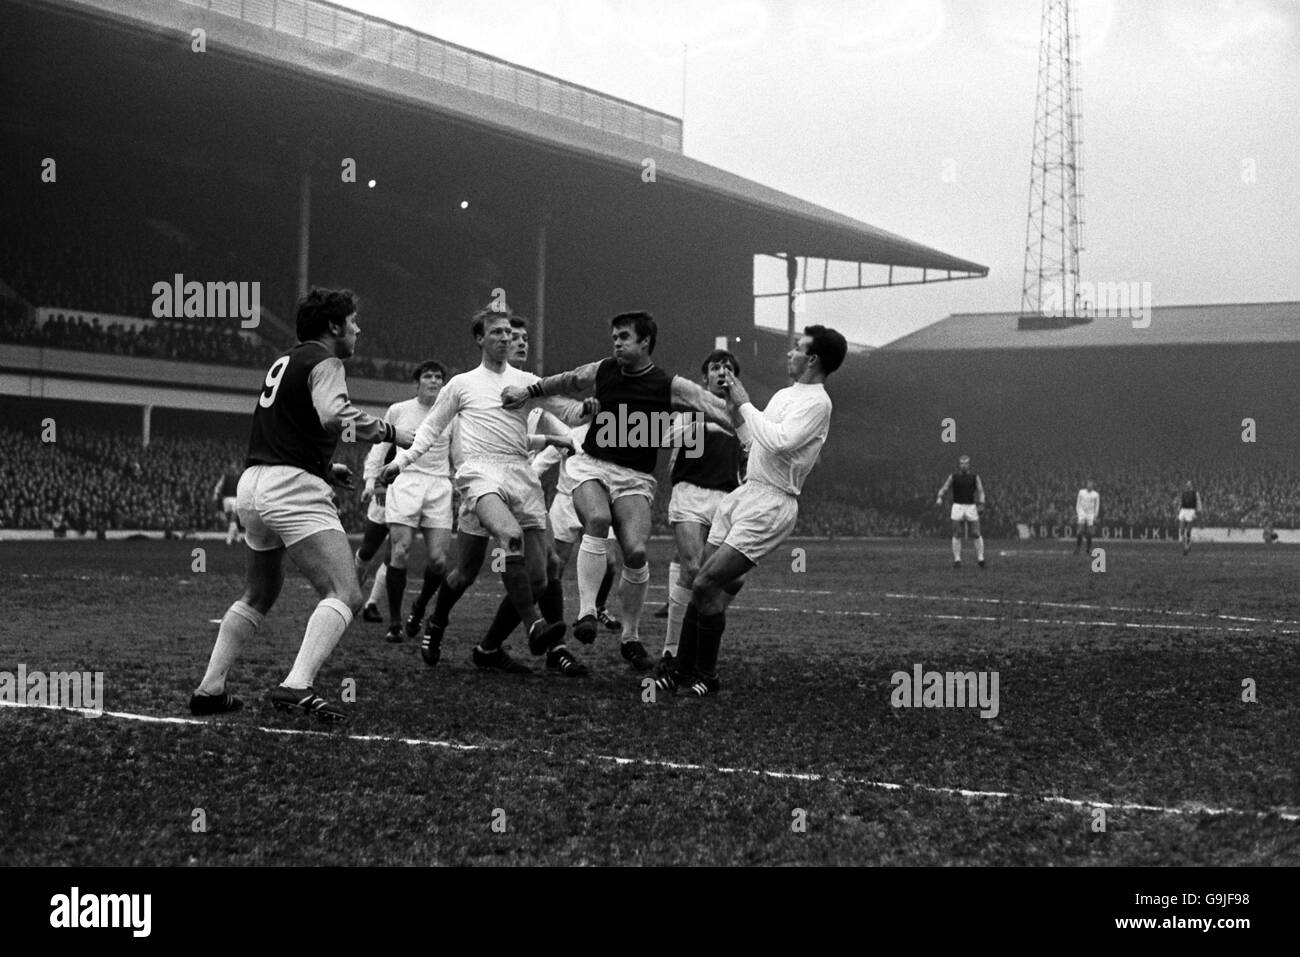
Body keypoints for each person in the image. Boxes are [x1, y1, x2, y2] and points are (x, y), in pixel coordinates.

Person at [190, 288, 414, 723]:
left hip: (254, 485)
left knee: (259, 592)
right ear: (334, 327)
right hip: (290, 488)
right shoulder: (326, 361)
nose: (358, 329)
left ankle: (210, 688)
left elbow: (287, 428)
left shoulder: (285, 360)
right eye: (353, 322)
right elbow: (334, 415)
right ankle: (297, 685)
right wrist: (390, 432)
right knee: (345, 592)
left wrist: (326, 468)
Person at [501, 310, 734, 672]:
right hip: (592, 465)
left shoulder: (669, 385)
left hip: (635, 478)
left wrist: (754, 431)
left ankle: (631, 636)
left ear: (645, 342)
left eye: (624, 337)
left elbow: (714, 407)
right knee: (597, 518)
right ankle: (587, 613)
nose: (617, 343)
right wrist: (528, 392)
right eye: (614, 337)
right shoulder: (604, 369)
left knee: (636, 553)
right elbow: (566, 380)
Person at [383, 309, 589, 674]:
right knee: (503, 541)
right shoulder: (462, 384)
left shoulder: (527, 381)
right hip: (479, 474)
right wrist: (399, 464)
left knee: (537, 575)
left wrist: (592, 406)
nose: (506, 338)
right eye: (497, 332)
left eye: (510, 332)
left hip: (519, 475)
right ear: (480, 338)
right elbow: (430, 431)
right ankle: (530, 626)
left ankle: (470, 636)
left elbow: (571, 414)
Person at [654, 325, 846, 697]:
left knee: (708, 582)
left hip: (772, 502)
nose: (789, 353)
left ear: (813, 359)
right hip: (746, 494)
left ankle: (705, 674)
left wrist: (743, 403)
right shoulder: (787, 395)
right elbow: (753, 443)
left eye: (796, 348)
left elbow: (779, 441)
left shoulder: (817, 403)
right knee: (700, 583)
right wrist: (733, 408)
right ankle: (681, 669)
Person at [659, 349, 745, 675]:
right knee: (693, 569)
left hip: (727, 499)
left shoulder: (744, 417)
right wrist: (705, 424)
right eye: (714, 368)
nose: (722, 371)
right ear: (704, 378)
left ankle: (700, 629)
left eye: (728, 368)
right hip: (691, 492)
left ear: (735, 378)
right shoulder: (691, 411)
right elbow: (666, 437)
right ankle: (672, 652)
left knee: (734, 577)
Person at [362, 360, 453, 643]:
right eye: (428, 376)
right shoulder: (399, 410)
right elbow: (380, 449)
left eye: (439, 377)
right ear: (417, 382)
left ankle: (420, 607)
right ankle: (395, 622)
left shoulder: (452, 414)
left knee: (438, 562)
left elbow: (460, 455)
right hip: (405, 481)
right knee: (399, 552)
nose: (434, 381)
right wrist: (370, 481)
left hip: (439, 486)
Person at [936, 455, 987, 568]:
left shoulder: (975, 477)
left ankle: (981, 558)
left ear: (969, 465)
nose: (963, 465)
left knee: (976, 533)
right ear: (959, 465)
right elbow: (945, 487)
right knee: (957, 533)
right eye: (962, 463)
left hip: (971, 507)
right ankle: (957, 560)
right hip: (957, 506)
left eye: (966, 463)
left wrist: (982, 503)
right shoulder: (953, 477)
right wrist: (940, 496)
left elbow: (981, 490)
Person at [212, 461, 242, 546]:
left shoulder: (240, 477)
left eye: (234, 466)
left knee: (233, 518)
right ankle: (238, 537)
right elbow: (219, 485)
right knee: (231, 521)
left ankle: (228, 539)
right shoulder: (225, 476)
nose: (233, 468)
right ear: (230, 468)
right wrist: (215, 494)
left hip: (236, 499)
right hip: (226, 499)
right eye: (232, 466)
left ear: (236, 467)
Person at [1074, 479, 1100, 555]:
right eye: (1088, 484)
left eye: (1091, 484)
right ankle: (1078, 548)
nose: (1089, 486)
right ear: (1086, 485)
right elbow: (1078, 503)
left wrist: (1095, 515)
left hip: (1090, 515)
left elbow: (1097, 505)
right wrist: (1078, 512)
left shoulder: (1096, 494)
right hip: (1082, 513)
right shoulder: (1081, 492)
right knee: (1079, 531)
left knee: (1089, 533)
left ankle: (1088, 550)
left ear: (1093, 486)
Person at [1177, 480, 1201, 555]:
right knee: (1181, 531)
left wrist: (1198, 512)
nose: (1188, 485)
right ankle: (1185, 547)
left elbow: (1198, 502)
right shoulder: (1183, 493)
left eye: (1189, 484)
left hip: (1191, 511)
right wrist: (1178, 510)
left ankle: (1188, 545)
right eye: (1187, 484)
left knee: (1188, 531)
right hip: (1183, 511)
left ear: (1192, 485)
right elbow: (1181, 502)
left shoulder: (1195, 493)